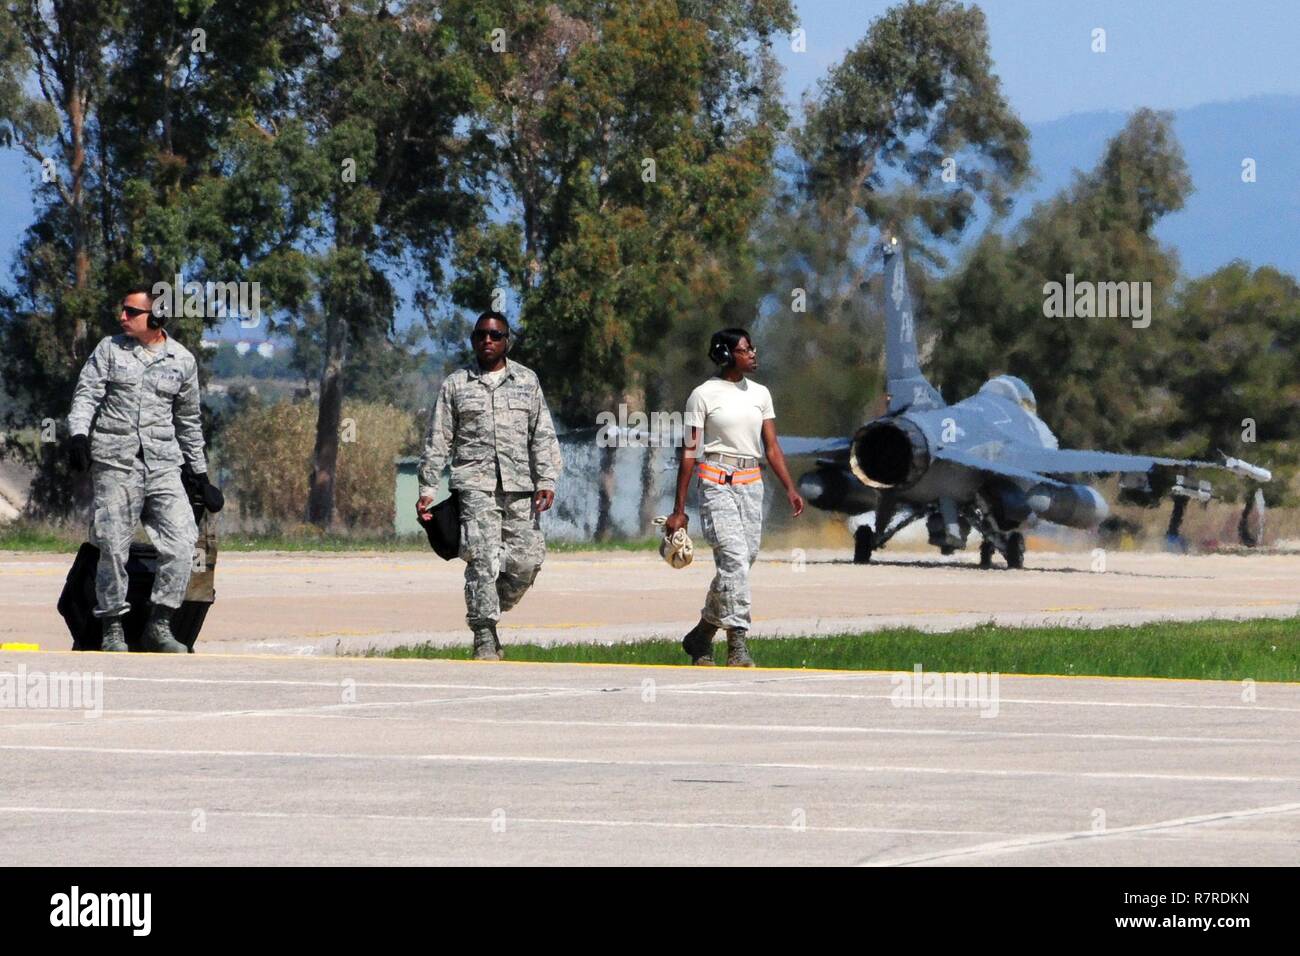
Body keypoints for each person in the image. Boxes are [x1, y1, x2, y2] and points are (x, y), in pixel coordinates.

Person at [66, 286, 212, 653]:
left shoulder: (182, 360)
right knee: (113, 545)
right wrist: (79, 435)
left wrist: (201, 475)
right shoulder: (110, 350)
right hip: (117, 463)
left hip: (164, 466)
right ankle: (112, 627)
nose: (123, 317)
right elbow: (86, 395)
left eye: (131, 312)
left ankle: (160, 625)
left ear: (157, 317)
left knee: (183, 543)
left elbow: (189, 422)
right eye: (123, 310)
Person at [416, 311, 563, 660]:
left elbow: (542, 436)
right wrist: (427, 487)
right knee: (481, 559)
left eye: (495, 335)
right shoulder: (456, 384)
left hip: (520, 487)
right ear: (473, 340)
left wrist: (547, 480)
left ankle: (490, 606)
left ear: (506, 341)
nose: (488, 340)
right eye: (481, 334)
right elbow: (438, 438)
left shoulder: (527, 382)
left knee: (527, 561)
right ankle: (483, 632)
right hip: (474, 486)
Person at [663, 328, 804, 666]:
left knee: (739, 565)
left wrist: (790, 487)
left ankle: (701, 634)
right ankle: (737, 645)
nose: (753, 354)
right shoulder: (703, 395)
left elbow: (771, 446)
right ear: (726, 355)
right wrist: (679, 510)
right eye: (745, 350)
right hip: (716, 483)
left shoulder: (761, 394)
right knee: (735, 561)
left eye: (752, 348)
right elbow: (690, 451)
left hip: (752, 484)